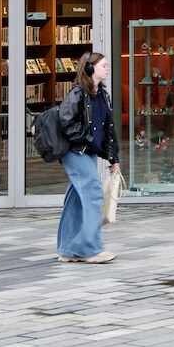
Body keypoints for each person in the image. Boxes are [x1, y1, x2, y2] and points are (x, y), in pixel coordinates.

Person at [55, 51, 121, 264]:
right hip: (76, 153)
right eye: (103, 65)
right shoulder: (78, 94)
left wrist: (113, 158)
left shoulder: (103, 95)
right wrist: (86, 137)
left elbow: (109, 129)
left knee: (75, 199)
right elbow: (66, 122)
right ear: (90, 69)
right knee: (93, 194)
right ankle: (90, 248)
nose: (107, 68)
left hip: (90, 153)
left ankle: (67, 250)